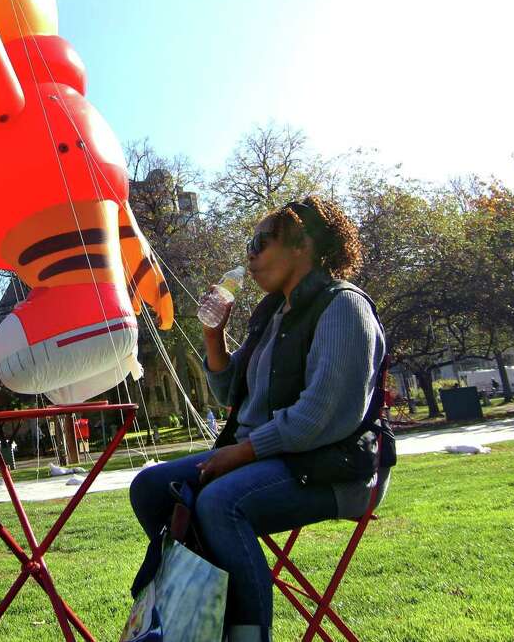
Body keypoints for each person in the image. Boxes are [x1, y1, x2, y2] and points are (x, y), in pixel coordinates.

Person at [128, 196, 389, 642]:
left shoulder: (343, 307)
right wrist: (213, 336)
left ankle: (241, 636)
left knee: (218, 503)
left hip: (333, 468)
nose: (249, 252)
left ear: (301, 245)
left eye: (260, 241)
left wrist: (242, 452)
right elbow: (231, 393)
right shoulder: (272, 314)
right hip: (266, 460)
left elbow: (323, 416)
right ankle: (192, 614)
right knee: (150, 488)